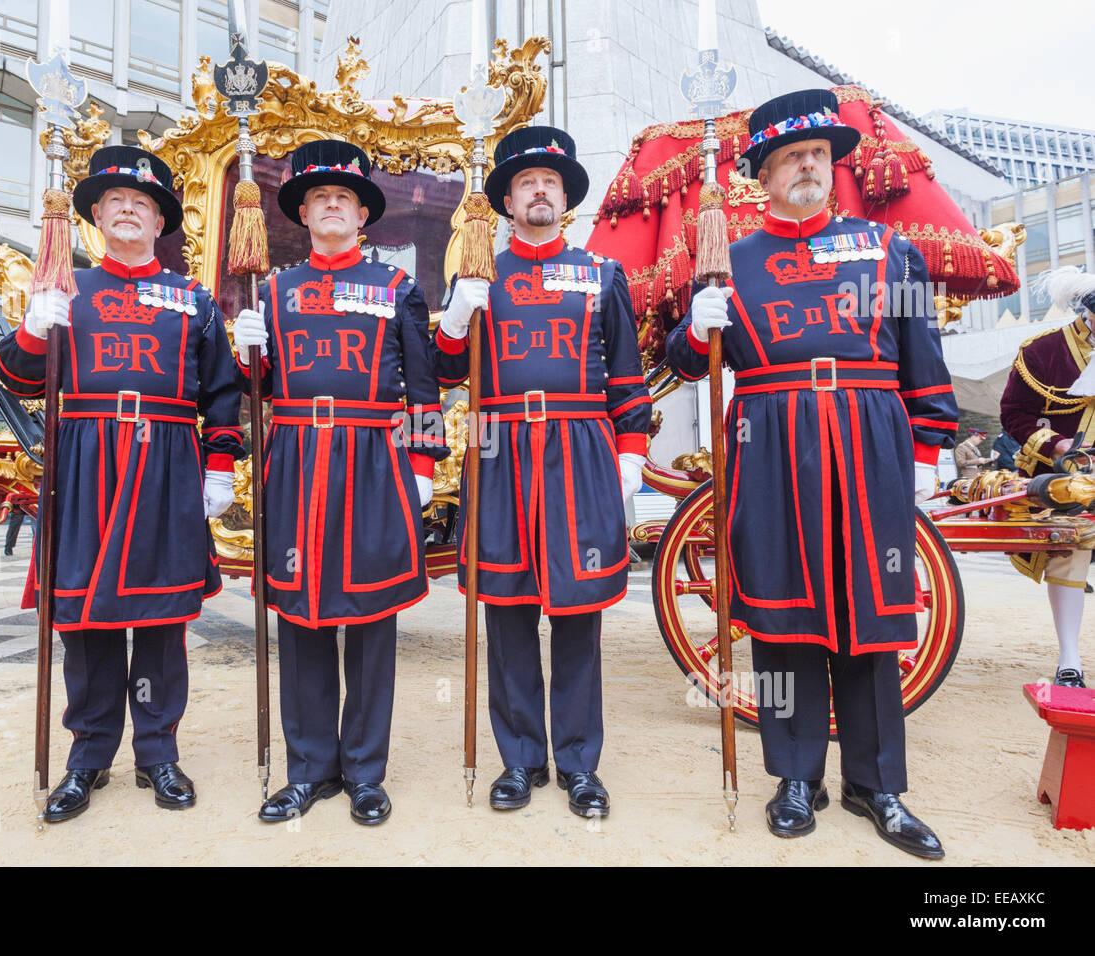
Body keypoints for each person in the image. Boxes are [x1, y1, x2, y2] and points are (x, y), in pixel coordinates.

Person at [665, 90, 957, 859]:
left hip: (868, 438)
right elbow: (687, 362)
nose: (808, 168)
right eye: (792, 157)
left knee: (870, 617)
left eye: (820, 156)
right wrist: (697, 327)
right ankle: (795, 776)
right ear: (762, 173)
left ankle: (877, 784)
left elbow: (923, 357)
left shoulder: (886, 249)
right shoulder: (731, 261)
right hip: (770, 442)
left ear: (835, 167)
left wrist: (930, 450)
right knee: (781, 614)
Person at [0, 145, 243, 821]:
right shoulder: (66, 289)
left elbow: (223, 394)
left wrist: (219, 467)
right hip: (84, 465)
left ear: (161, 220)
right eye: (116, 202)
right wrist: (33, 327)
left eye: (142, 203)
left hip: (166, 462)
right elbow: (20, 379)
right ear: (97, 217)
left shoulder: (194, 300)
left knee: (160, 619)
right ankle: (88, 754)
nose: (129, 210)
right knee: (85, 615)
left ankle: (158, 751)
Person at [432, 126, 650, 819]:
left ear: (566, 198)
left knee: (579, 613)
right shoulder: (479, 274)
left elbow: (626, 374)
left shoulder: (601, 273)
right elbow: (440, 372)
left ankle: (580, 765)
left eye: (550, 182)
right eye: (526, 182)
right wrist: (456, 319)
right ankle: (521, 760)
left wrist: (630, 454)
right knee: (509, 612)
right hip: (500, 448)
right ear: (505, 200)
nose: (539, 191)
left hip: (581, 447)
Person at [232, 139, 448, 826]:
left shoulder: (395, 288)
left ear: (361, 215)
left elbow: (423, 385)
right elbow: (256, 389)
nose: (331, 205)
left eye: (344, 197)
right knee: (300, 620)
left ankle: (365, 772)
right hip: (296, 458)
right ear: (303, 212)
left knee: (373, 620)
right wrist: (248, 354)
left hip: (372, 459)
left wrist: (419, 467)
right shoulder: (273, 290)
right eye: (319, 196)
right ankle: (308, 770)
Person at [999, 265, 1095, 688]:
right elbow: (1014, 415)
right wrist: (1059, 446)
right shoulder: (1041, 352)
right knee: (1071, 549)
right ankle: (1069, 658)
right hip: (1065, 475)